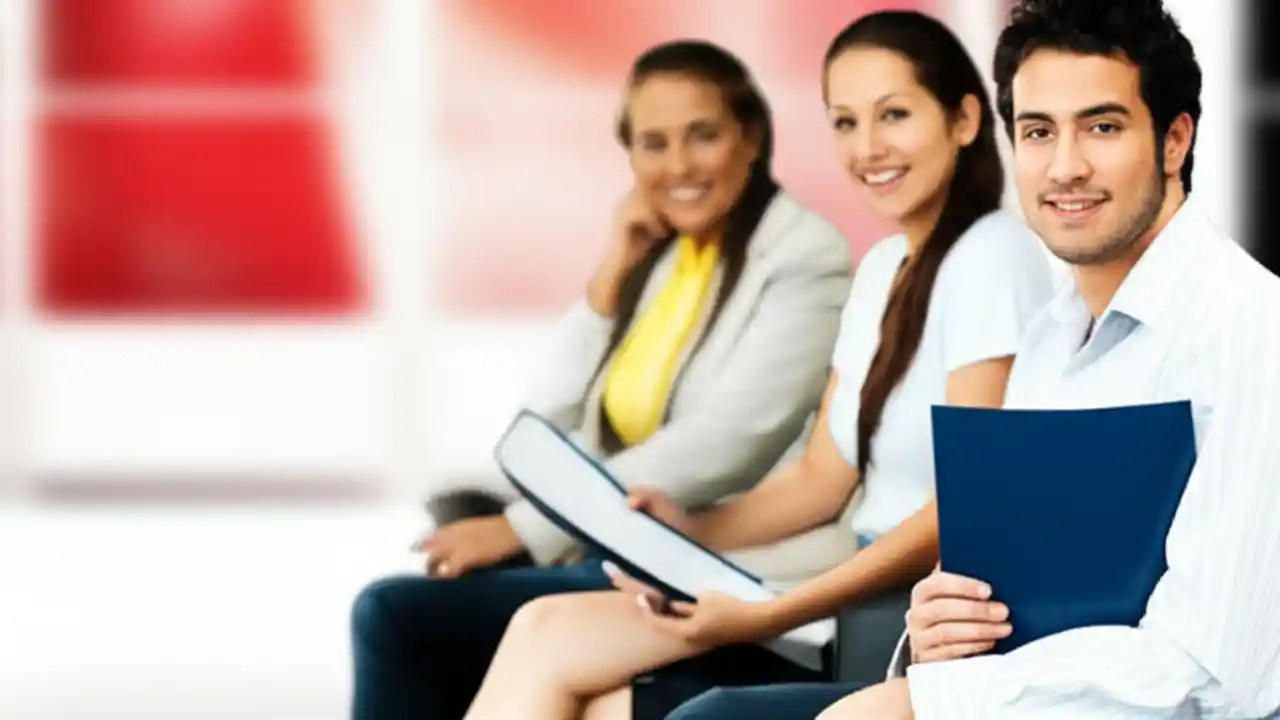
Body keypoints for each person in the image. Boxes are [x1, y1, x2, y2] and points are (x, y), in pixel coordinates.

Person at [681, 1, 1280, 718]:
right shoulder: (1053, 335)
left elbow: (1214, 673)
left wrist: (925, 702)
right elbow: (1010, 582)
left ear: (1175, 140)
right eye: (1037, 132)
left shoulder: (1249, 329)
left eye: (1102, 127)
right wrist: (937, 628)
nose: (1065, 167)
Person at [462, 11, 1054, 720]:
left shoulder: (993, 256)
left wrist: (768, 613)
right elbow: (819, 481)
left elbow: (963, 507)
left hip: (899, 613)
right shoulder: (884, 270)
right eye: (845, 122)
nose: (868, 147)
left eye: (893, 115)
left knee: (599, 694)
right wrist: (685, 532)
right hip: (842, 591)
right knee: (543, 630)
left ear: (962, 120)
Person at [350, 40, 856, 720]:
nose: (678, 165)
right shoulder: (664, 257)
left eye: (702, 135)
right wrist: (607, 282)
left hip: (722, 568)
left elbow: (727, 440)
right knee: (398, 612)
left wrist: (525, 531)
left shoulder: (802, 257)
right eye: (653, 143)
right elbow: (543, 430)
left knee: (399, 617)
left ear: (752, 136)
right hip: (619, 551)